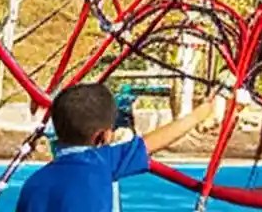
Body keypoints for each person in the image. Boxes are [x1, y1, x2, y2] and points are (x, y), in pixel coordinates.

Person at [16, 83, 226, 212]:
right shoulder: (103, 162)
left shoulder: (33, 183)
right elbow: (158, 139)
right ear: (103, 136)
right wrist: (202, 112)